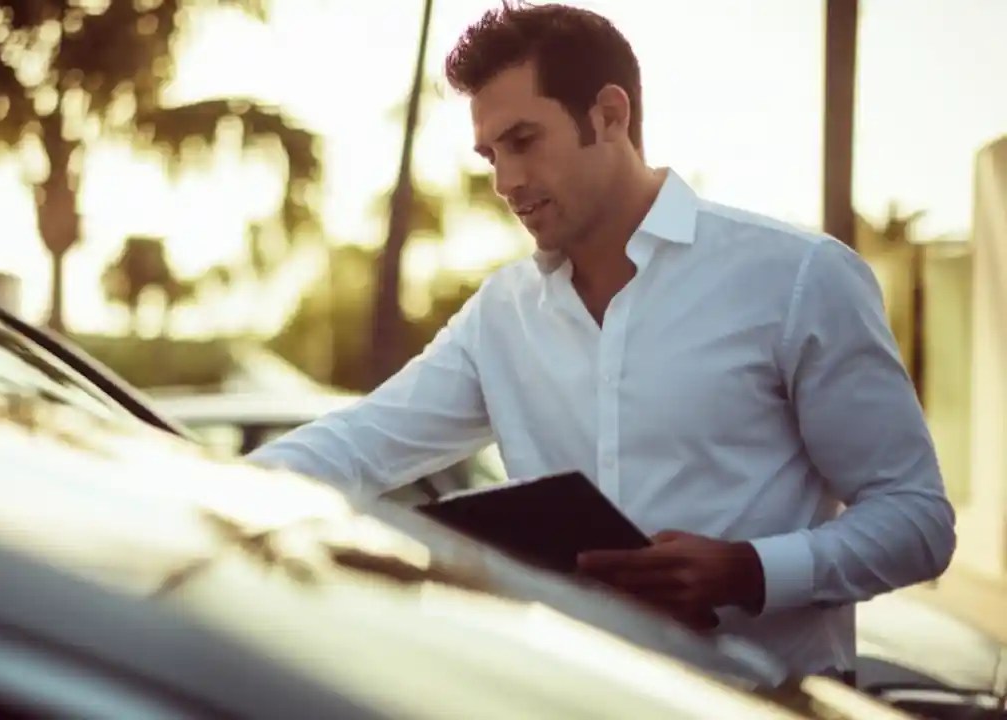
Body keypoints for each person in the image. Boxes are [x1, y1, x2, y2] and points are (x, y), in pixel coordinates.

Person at [247, 2, 955, 678]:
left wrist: (750, 569)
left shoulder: (800, 278)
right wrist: (185, 494)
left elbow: (917, 521)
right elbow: (359, 444)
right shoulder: (502, 314)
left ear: (609, 115)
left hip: (769, 700)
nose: (505, 180)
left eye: (523, 141)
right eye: (490, 154)